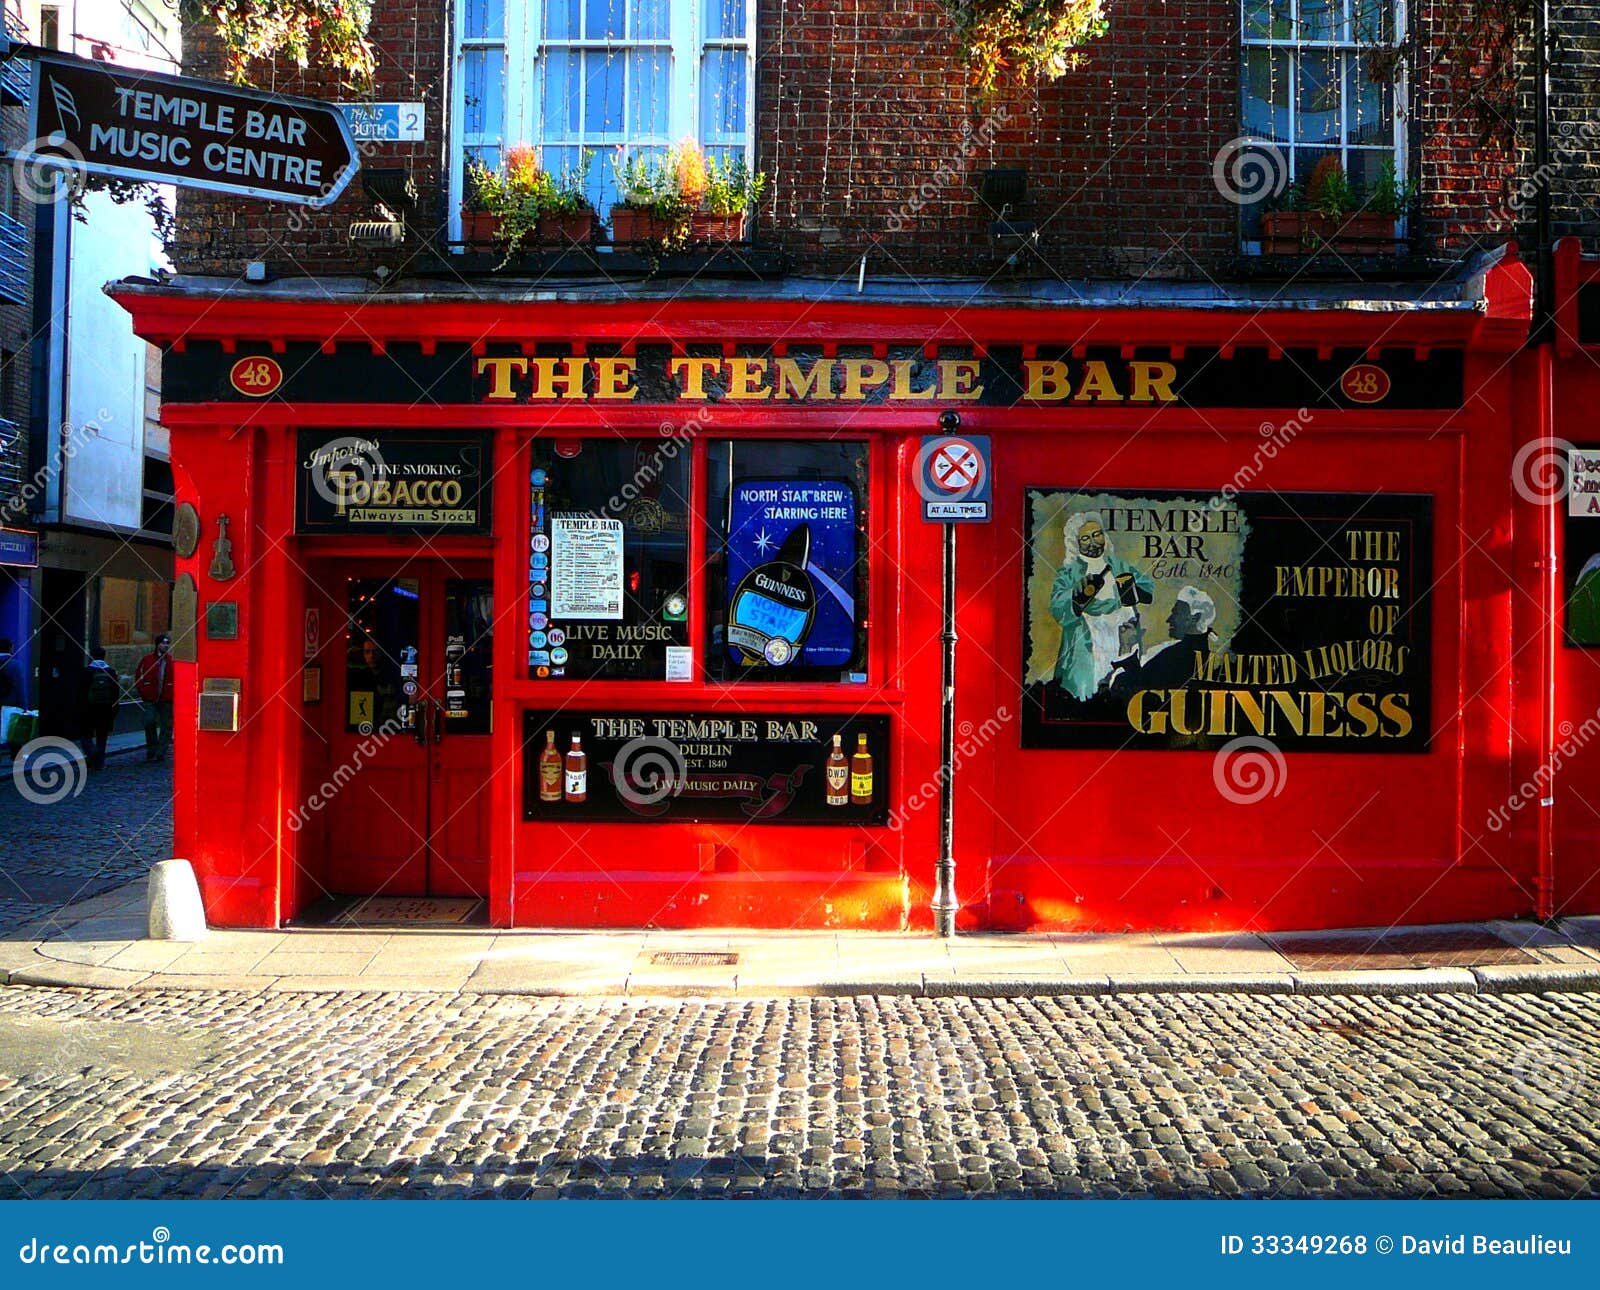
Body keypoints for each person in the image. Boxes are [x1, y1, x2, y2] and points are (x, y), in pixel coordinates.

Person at [1049, 512, 1154, 700]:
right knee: (1089, 698)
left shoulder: (1119, 566)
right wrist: (1077, 597)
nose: (1093, 542)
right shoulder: (1069, 573)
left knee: (1123, 692)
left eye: (1097, 535)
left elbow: (1147, 590)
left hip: (1122, 639)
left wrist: (1133, 591)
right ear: (1076, 543)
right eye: (1085, 538)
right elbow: (1058, 607)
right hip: (1088, 644)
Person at [1109, 585, 1218, 696]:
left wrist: (1126, 647)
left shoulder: (1175, 657)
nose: (1169, 619)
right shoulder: (1201, 655)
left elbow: (1128, 689)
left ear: (1194, 618)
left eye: (1176, 613)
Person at [79, 647, 121, 771]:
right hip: (106, 709)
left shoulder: (86, 672)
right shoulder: (111, 672)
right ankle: (100, 763)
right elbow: (116, 693)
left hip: (89, 709)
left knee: (85, 736)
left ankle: (92, 754)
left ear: (91, 656)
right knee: (102, 737)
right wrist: (114, 710)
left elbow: (80, 693)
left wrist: (79, 709)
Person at [134, 633, 174, 762]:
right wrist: (143, 692)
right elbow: (139, 677)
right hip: (150, 698)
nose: (165, 646)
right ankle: (152, 747)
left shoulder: (171, 661)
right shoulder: (147, 660)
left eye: (167, 643)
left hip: (166, 698)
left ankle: (161, 750)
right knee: (149, 721)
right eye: (163, 643)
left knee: (166, 726)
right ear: (157, 645)